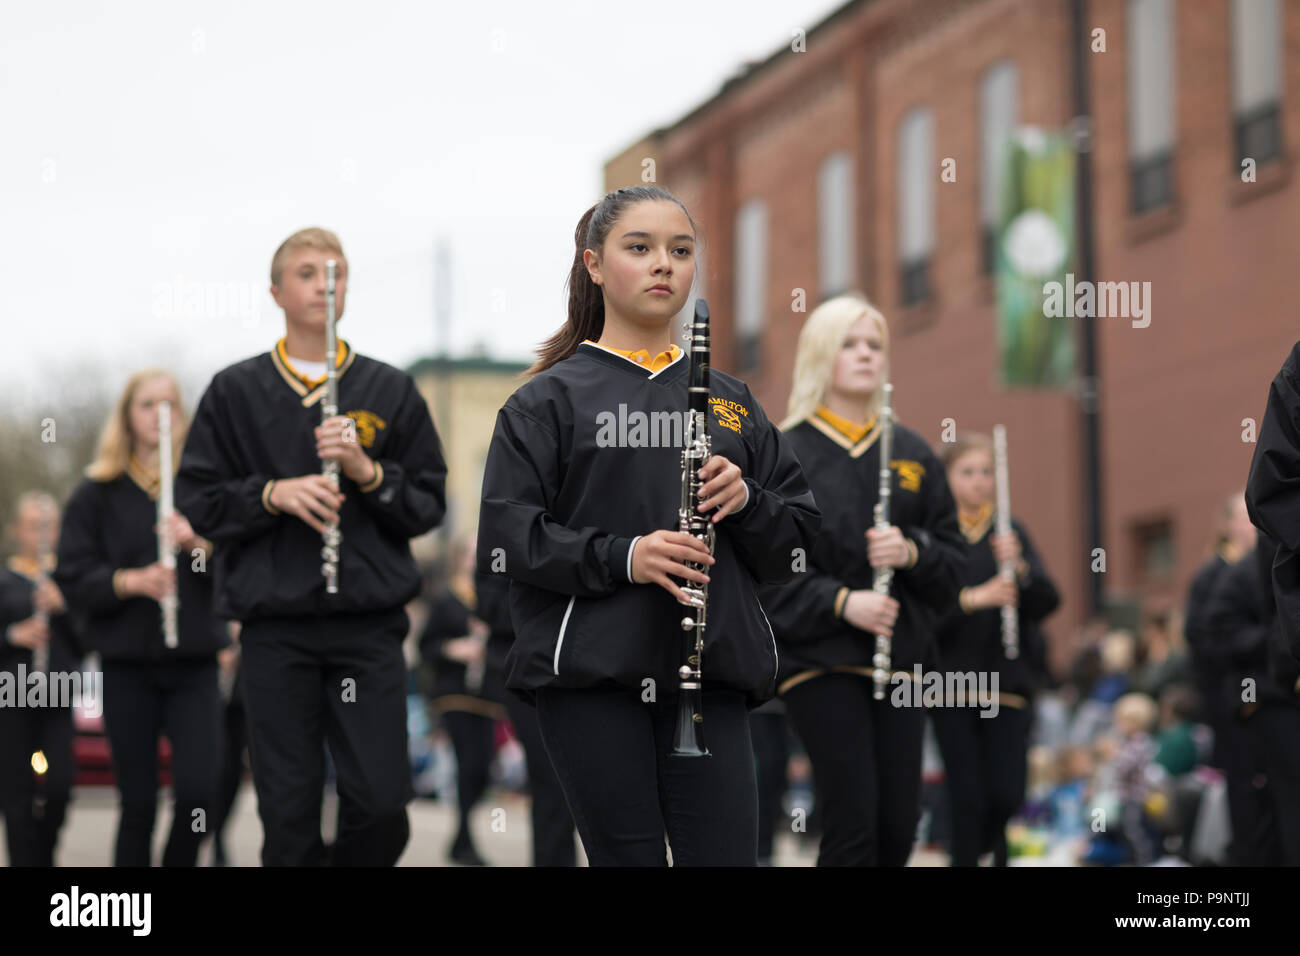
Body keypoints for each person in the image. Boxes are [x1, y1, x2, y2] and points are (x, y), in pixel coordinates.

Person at [477, 185, 821, 866]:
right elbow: (508, 540)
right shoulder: (544, 403)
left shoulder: (731, 401)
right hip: (592, 678)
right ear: (595, 265)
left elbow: (803, 544)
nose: (664, 263)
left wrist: (749, 501)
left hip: (710, 676)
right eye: (640, 248)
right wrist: (625, 556)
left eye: (680, 250)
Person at [175, 227, 447, 866]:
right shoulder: (234, 390)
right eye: (306, 273)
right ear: (276, 291)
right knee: (288, 811)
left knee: (382, 806)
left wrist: (366, 472)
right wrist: (274, 495)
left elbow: (429, 504)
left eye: (337, 273)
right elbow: (198, 500)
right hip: (276, 629)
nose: (325, 285)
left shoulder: (389, 388)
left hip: (370, 625)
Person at [758, 294, 966, 867]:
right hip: (820, 662)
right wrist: (841, 601)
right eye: (850, 343)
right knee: (853, 821)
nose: (866, 355)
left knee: (898, 826)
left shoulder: (913, 452)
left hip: (901, 660)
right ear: (822, 354)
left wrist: (913, 551)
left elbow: (953, 567)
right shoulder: (784, 450)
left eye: (875, 345)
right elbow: (765, 572)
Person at [55, 371, 226, 866]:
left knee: (199, 793)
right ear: (127, 416)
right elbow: (72, 577)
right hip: (126, 664)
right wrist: (130, 582)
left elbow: (235, 570)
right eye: (148, 404)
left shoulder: (203, 487)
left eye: (169, 404)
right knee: (139, 803)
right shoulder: (97, 492)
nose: (159, 415)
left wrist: (196, 545)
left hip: (194, 662)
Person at [931, 433, 1061, 866]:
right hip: (951, 685)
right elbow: (925, 614)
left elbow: (1048, 601)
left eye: (987, 472)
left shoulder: (1009, 531)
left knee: (1007, 793)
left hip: (1006, 683)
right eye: (967, 473)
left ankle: (991, 851)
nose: (980, 482)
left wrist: (1021, 566)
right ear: (946, 478)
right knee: (966, 795)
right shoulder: (937, 535)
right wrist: (975, 598)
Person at [0, 492, 83, 866]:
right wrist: (11, 636)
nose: (43, 535)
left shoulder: (69, 579)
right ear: (17, 531)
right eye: (35, 527)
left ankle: (43, 853)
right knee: (15, 795)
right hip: (13, 695)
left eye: (50, 527)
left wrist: (64, 608)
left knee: (60, 786)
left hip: (57, 693)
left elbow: (91, 640)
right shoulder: (4, 579)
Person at [475, 566, 578, 866]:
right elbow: (488, 607)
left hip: (576, 663)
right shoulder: (502, 545)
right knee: (550, 776)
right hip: (524, 673)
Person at [419, 534, 505, 866]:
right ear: (460, 558)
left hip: (487, 697)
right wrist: (453, 649)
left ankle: (461, 838)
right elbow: (425, 647)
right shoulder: (446, 599)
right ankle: (464, 840)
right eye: (471, 554)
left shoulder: (492, 598)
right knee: (467, 764)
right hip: (454, 694)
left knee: (482, 770)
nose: (475, 559)